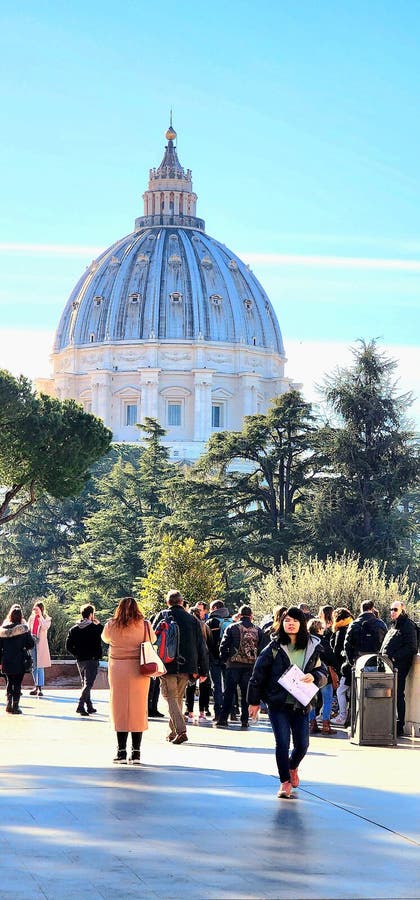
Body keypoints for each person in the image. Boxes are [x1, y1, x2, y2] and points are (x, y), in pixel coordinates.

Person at [247, 606, 327, 799]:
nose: (290, 624)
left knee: (303, 744)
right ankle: (284, 782)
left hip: (301, 703)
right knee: (282, 743)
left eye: (294, 621)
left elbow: (323, 672)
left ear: (302, 624)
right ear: (281, 623)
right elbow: (258, 675)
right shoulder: (273, 647)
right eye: (287, 621)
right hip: (278, 703)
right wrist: (253, 702)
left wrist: (314, 676)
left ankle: (292, 767)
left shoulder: (312, 646)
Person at [102, 597, 155, 764]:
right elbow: (152, 640)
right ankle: (136, 752)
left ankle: (121, 751)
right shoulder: (144, 624)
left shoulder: (111, 624)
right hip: (139, 669)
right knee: (138, 709)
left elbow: (105, 638)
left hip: (118, 669)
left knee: (119, 708)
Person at [154, 590, 208, 744]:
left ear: (168, 602)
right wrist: (203, 669)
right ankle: (172, 733)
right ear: (182, 602)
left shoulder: (163, 615)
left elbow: (151, 637)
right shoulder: (192, 620)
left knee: (170, 697)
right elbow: (201, 646)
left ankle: (181, 730)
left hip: (167, 664)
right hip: (187, 666)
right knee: (178, 698)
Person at [216, 605, 263, 730]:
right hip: (250, 666)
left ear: (240, 614)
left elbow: (223, 646)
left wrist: (225, 660)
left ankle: (223, 719)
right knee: (245, 694)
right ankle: (244, 720)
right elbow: (262, 649)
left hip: (233, 665)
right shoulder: (258, 630)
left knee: (229, 693)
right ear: (251, 615)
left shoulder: (232, 627)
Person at [381, 601, 418, 736]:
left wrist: (395, 658)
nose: (392, 611)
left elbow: (412, 647)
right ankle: (390, 723)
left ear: (402, 610)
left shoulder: (408, 625)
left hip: (399, 666)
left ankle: (399, 726)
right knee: (390, 695)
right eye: (391, 609)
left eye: (395, 609)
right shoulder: (394, 625)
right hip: (389, 665)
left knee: (397, 695)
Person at [66, 604, 103, 716]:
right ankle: (80, 705)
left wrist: (77, 654)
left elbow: (68, 646)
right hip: (92, 659)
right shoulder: (95, 628)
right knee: (89, 683)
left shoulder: (74, 629)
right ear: (91, 615)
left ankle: (89, 706)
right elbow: (105, 635)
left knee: (85, 683)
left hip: (80, 660)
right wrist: (99, 624)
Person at [0, 604, 34, 714]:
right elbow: (31, 644)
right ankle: (16, 706)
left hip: (6, 660)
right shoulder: (23, 629)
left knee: (9, 682)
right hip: (20, 660)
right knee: (18, 684)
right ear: (20, 617)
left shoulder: (3, 630)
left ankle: (8, 704)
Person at [184, 605, 212, 724]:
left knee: (190, 687)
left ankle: (190, 713)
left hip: (191, 661)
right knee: (204, 687)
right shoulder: (204, 627)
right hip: (203, 660)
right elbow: (209, 645)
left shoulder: (187, 628)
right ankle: (202, 713)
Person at [207, 600, 232, 723]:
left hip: (214, 657)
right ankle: (231, 712)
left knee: (216, 685)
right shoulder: (231, 621)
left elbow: (207, 641)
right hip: (228, 659)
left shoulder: (211, 622)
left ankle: (218, 713)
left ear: (215, 608)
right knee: (228, 685)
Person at [344, 600, 387, 667]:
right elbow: (386, 643)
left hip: (359, 661)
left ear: (361, 609)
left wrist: (351, 661)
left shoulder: (354, 624)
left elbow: (347, 645)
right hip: (376, 661)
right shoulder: (381, 624)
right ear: (372, 609)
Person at [331, 607, 354, 726]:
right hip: (355, 665)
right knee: (350, 692)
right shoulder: (353, 626)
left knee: (340, 691)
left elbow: (336, 650)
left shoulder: (340, 630)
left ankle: (342, 715)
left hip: (345, 667)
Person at [27, 601, 51, 697]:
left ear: (41, 609)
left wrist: (40, 616)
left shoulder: (46, 618)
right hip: (32, 643)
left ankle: (40, 687)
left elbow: (45, 627)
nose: (35, 611)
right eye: (34, 609)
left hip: (41, 644)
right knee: (33, 665)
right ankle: (36, 686)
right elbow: (28, 629)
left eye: (37, 609)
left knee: (40, 665)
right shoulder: (31, 618)